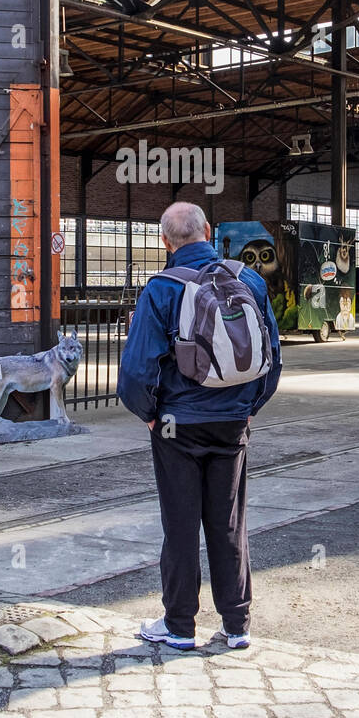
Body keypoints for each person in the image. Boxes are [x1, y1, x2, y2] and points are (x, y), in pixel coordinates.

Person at [117, 201, 281, 650]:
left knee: (181, 524)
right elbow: (272, 358)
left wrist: (151, 415)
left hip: (177, 427)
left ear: (166, 242)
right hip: (231, 425)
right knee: (229, 522)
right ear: (208, 230)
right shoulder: (248, 280)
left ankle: (179, 626)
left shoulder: (161, 289)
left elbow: (136, 372)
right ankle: (236, 625)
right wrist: (249, 406)